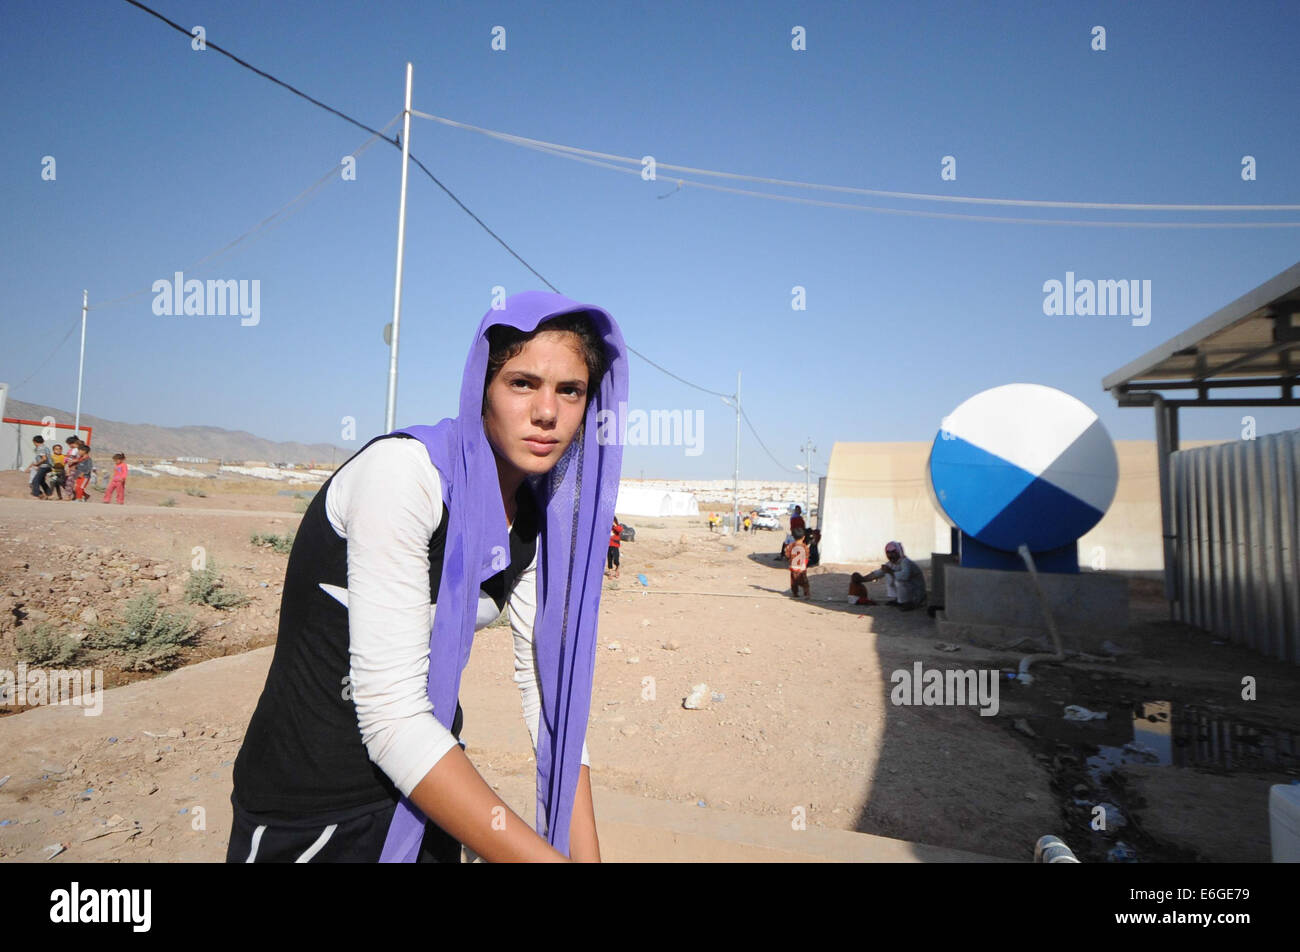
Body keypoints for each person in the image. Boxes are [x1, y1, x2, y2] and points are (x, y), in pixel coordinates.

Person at [227, 291, 627, 864]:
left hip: (428, 801)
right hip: (312, 808)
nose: (547, 411)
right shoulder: (403, 476)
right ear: (481, 390)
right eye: (521, 383)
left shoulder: (538, 519)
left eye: (571, 390)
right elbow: (392, 716)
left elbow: (550, 698)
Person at [855, 541, 927, 611]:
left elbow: (904, 576)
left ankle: (907, 603)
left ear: (898, 552)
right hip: (910, 591)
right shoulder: (891, 563)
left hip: (917, 594)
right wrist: (862, 579)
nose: (891, 555)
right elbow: (877, 573)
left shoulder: (905, 562)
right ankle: (898, 600)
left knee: (898, 579)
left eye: (893, 553)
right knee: (888, 574)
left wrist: (890, 571)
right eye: (888, 553)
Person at [788, 527, 811, 598]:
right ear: (803, 537)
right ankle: (807, 594)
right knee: (804, 581)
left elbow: (787, 554)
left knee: (793, 582)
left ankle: (795, 593)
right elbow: (807, 556)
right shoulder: (805, 547)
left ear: (793, 537)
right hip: (802, 567)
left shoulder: (791, 546)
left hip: (793, 567)